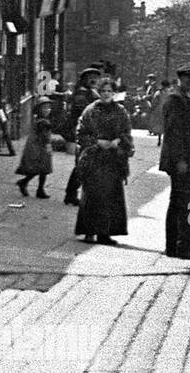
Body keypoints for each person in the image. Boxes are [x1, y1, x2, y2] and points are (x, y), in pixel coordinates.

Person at [74, 76, 134, 245]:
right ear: (99, 92)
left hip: (113, 160)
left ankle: (105, 233)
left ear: (114, 93)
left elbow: (127, 132)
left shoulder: (121, 111)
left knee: (111, 196)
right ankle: (89, 232)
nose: (106, 94)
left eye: (110, 91)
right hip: (94, 159)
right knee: (92, 194)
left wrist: (119, 141)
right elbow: (81, 133)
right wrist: (96, 142)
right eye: (103, 91)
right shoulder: (90, 110)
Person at [160, 64, 190, 261]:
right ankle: (184, 246)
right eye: (186, 77)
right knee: (187, 204)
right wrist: (180, 159)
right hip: (182, 162)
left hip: (188, 161)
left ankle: (173, 246)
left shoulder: (186, 99)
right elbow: (174, 133)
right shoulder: (175, 100)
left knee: (178, 204)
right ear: (179, 78)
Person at [61, 67, 102, 205]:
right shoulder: (81, 94)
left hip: (90, 133)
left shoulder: (91, 92)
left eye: (96, 78)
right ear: (84, 79)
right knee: (82, 164)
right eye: (90, 77)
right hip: (82, 133)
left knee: (85, 164)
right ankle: (71, 194)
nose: (94, 80)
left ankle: (72, 194)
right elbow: (84, 112)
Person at [16, 98, 55, 198]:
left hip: (37, 147)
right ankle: (33, 187)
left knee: (40, 169)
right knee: (41, 169)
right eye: (44, 108)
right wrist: (48, 146)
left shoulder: (40, 120)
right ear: (39, 109)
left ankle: (33, 186)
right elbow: (45, 137)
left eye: (48, 108)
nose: (47, 110)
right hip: (39, 148)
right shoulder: (43, 122)